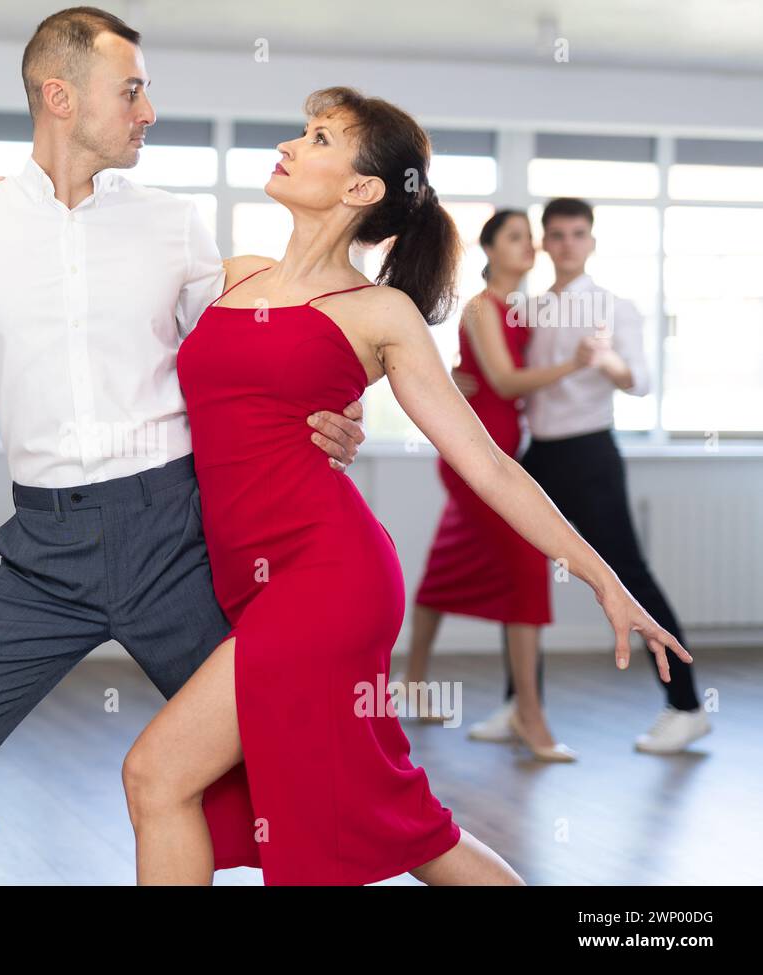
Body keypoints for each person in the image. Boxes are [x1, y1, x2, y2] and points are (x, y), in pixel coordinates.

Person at [0, 7, 367, 885]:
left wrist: (323, 414)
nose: (148, 111)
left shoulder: (172, 222)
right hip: (43, 553)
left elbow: (239, 359)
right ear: (59, 96)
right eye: (132, 91)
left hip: (176, 534)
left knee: (306, 764)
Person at [123, 86, 692, 885]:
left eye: (319, 137)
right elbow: (107, 297)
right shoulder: (231, 276)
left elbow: (489, 462)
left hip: (327, 578)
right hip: (247, 580)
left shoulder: (380, 312)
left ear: (360, 189)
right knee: (390, 820)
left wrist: (606, 579)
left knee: (159, 775)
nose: (292, 142)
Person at [453, 197, 710, 755]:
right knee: (518, 576)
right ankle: (520, 703)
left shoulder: (614, 307)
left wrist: (604, 361)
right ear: (546, 244)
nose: (568, 244)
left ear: (591, 242)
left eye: (578, 234)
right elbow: (507, 372)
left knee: (629, 576)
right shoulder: (530, 307)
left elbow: (637, 380)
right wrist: (460, 375)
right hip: (536, 456)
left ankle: (686, 707)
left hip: (590, 456)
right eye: (558, 235)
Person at [404, 210, 597, 761]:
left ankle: (415, 683)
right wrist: (576, 365)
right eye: (517, 238)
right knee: (529, 568)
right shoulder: (481, 306)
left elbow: (500, 369)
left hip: (505, 450)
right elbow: (508, 379)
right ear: (489, 249)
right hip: (477, 453)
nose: (530, 247)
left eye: (529, 239)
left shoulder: (525, 309)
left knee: (447, 564)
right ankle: (530, 717)